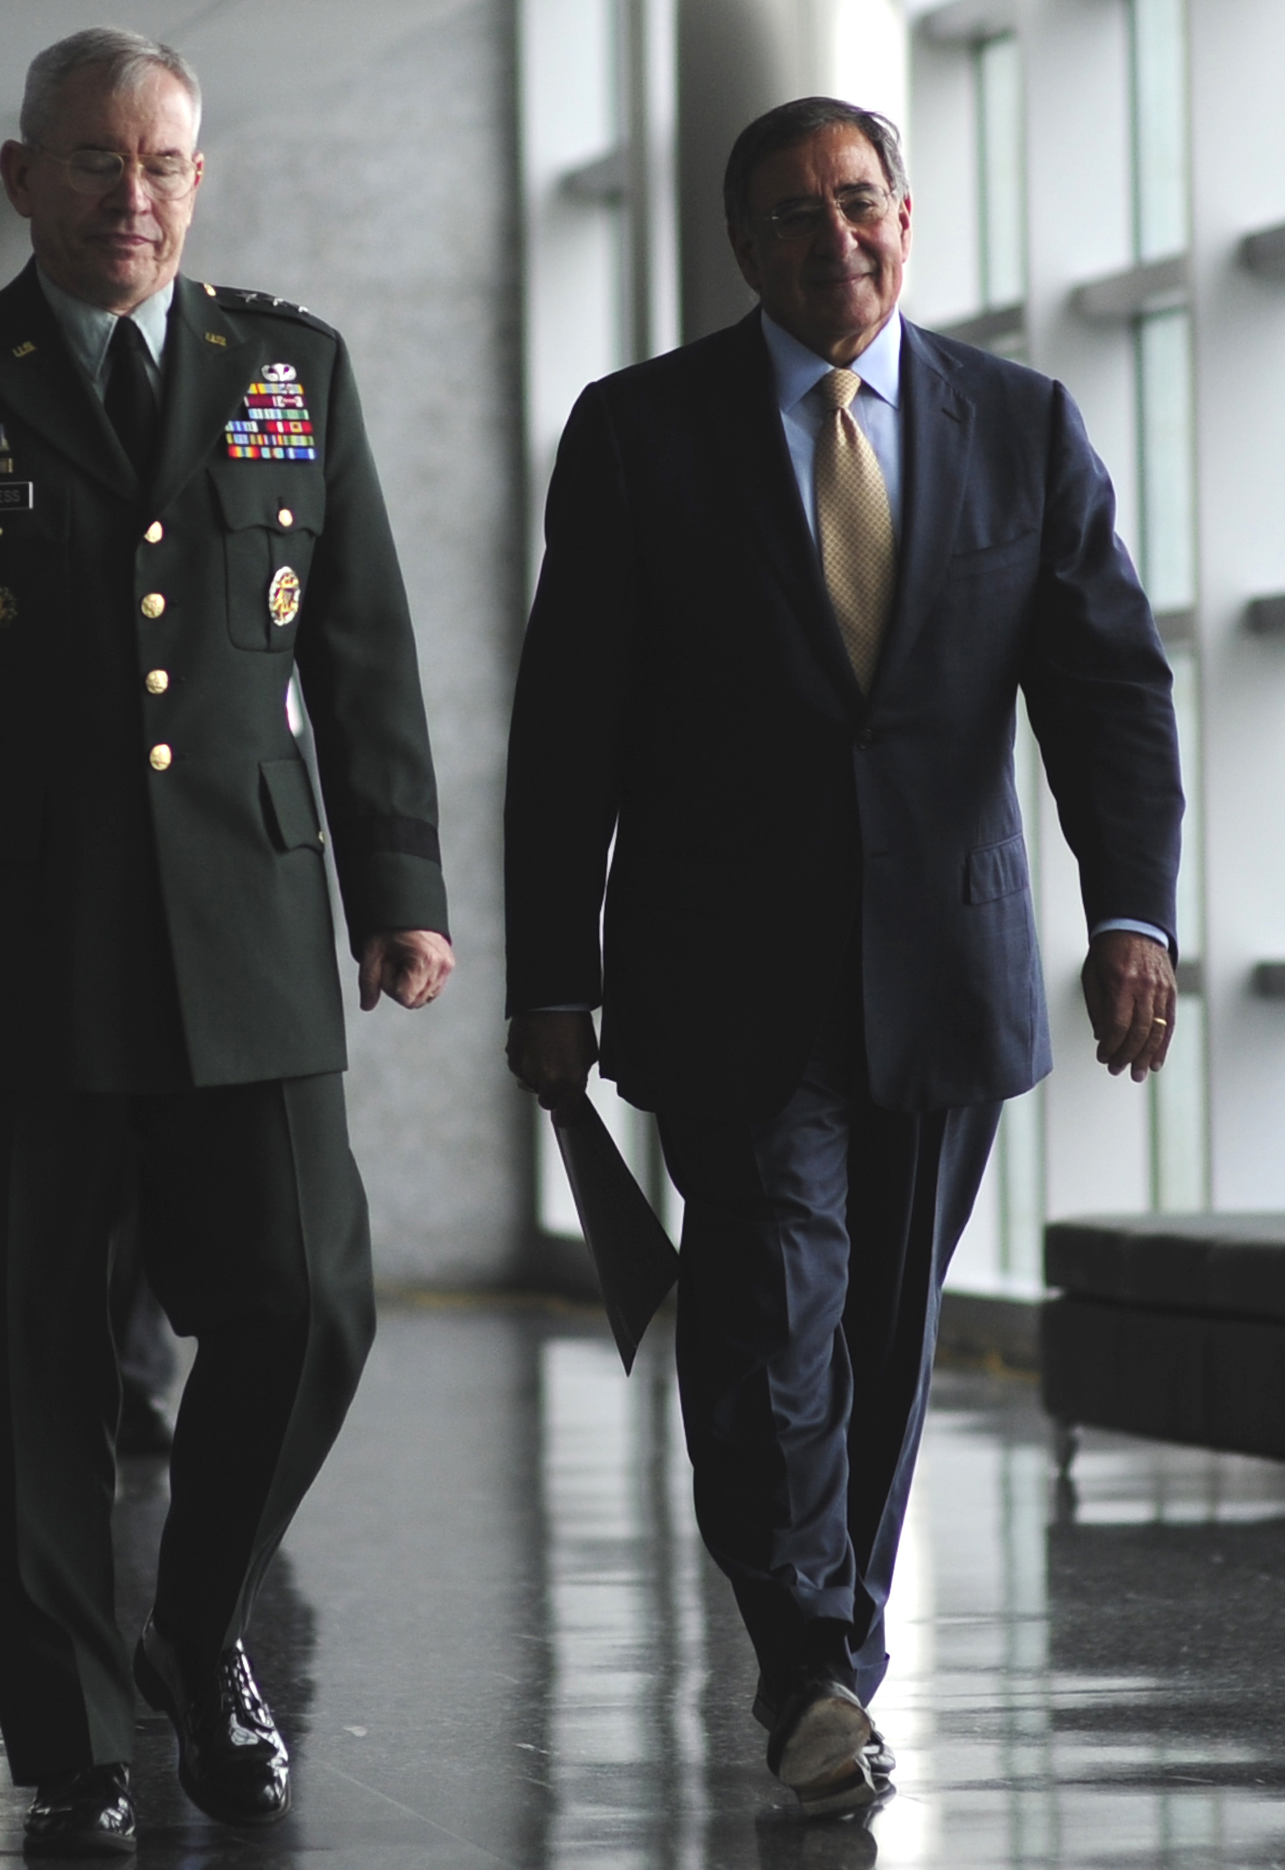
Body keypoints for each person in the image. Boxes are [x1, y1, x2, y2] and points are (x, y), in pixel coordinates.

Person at [0, 28, 453, 1854]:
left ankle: (193, 1630)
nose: (130, 196)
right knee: (24, 1373)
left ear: (198, 177)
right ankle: (73, 1734)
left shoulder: (285, 366)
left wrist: (397, 892)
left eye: (160, 163)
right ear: (21, 177)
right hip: (1, 942)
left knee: (311, 1302)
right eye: (91, 163)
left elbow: (362, 649)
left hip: (244, 926)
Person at [505, 97, 1182, 1818]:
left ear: (906, 213)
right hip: (720, 980)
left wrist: (1130, 913)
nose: (834, 240)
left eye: (859, 203)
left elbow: (1103, 689)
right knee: (763, 1315)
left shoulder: (1020, 425)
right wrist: (548, 976)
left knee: (881, 1339)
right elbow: (565, 725)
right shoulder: (638, 433)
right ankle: (806, 1666)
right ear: (742, 250)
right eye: (793, 217)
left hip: (944, 975)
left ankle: (828, 1661)